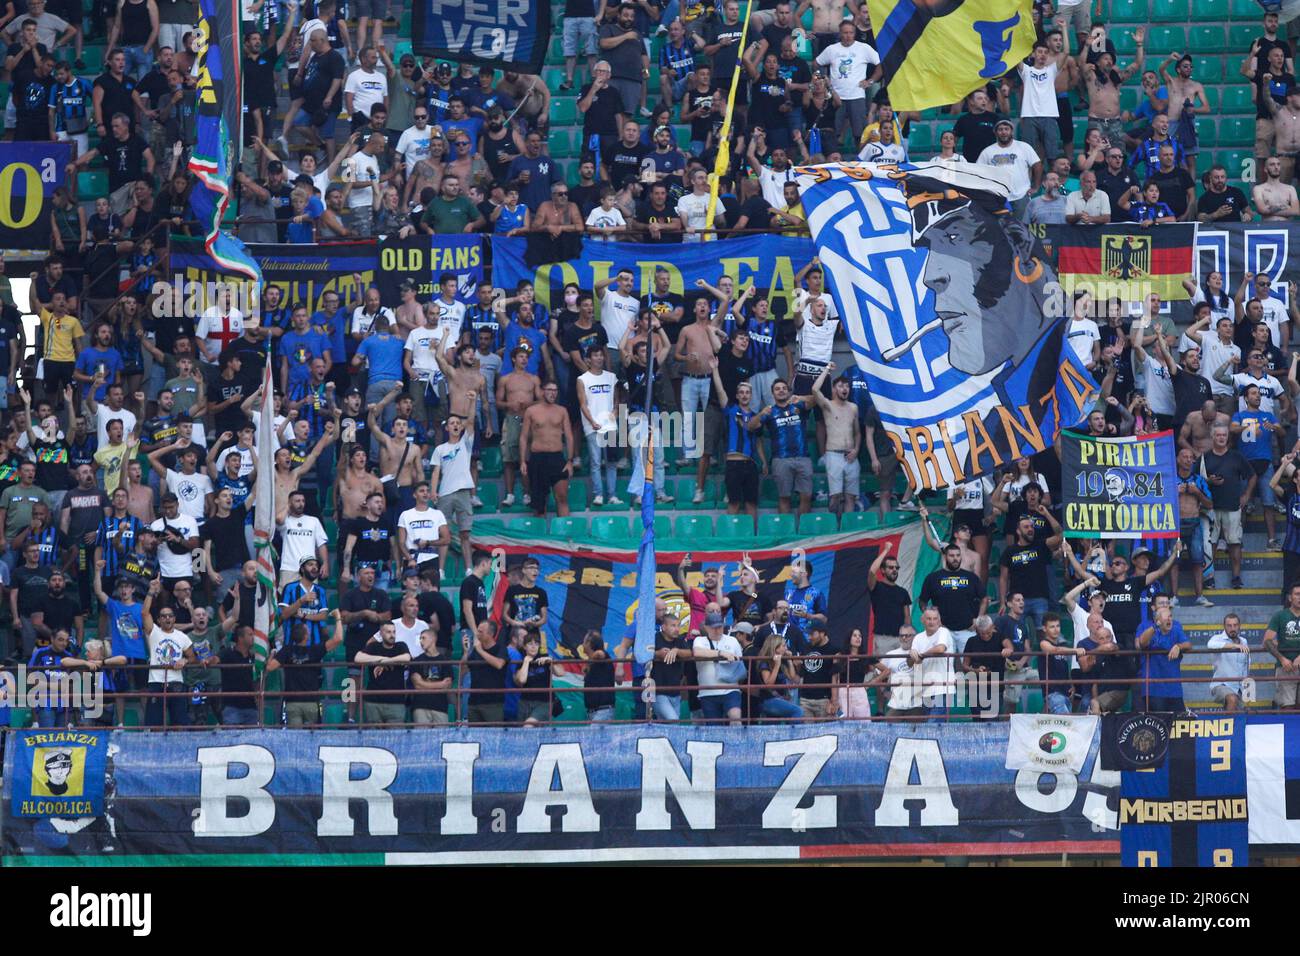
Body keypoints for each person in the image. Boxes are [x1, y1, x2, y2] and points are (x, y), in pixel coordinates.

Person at [353, 621, 411, 724]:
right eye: (388, 632)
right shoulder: (374, 646)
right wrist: (382, 659)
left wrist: (385, 662)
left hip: (396, 702)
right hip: (373, 702)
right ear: (381, 633)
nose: (392, 635)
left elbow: (407, 658)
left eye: (394, 632)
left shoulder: (400, 646)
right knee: (373, 737)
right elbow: (358, 658)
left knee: (396, 737)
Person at [1136, 606, 1190, 713]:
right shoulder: (1151, 632)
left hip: (1174, 689)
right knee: (1159, 723)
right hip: (1154, 689)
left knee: (1180, 721)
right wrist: (1154, 627)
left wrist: (1178, 646)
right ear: (1158, 621)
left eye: (1170, 616)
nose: (1169, 619)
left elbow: (1188, 644)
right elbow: (1142, 642)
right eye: (1166, 618)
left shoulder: (1176, 630)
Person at [1265, 583, 1300, 710]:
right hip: (1286, 667)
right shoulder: (1280, 616)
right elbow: (1267, 641)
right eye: (1297, 594)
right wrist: (1282, 659)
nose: (1299, 597)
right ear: (1290, 598)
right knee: (1288, 707)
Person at [1207, 614, 1252, 713]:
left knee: (1247, 713)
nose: (1233, 628)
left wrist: (1248, 693)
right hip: (1221, 684)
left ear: (1239, 626)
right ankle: (1227, 727)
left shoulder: (1244, 641)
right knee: (1232, 699)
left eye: (1235, 625)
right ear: (1224, 626)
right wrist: (1234, 645)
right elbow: (1210, 645)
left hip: (1239, 686)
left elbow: (1247, 667)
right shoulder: (1217, 638)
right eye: (1229, 625)